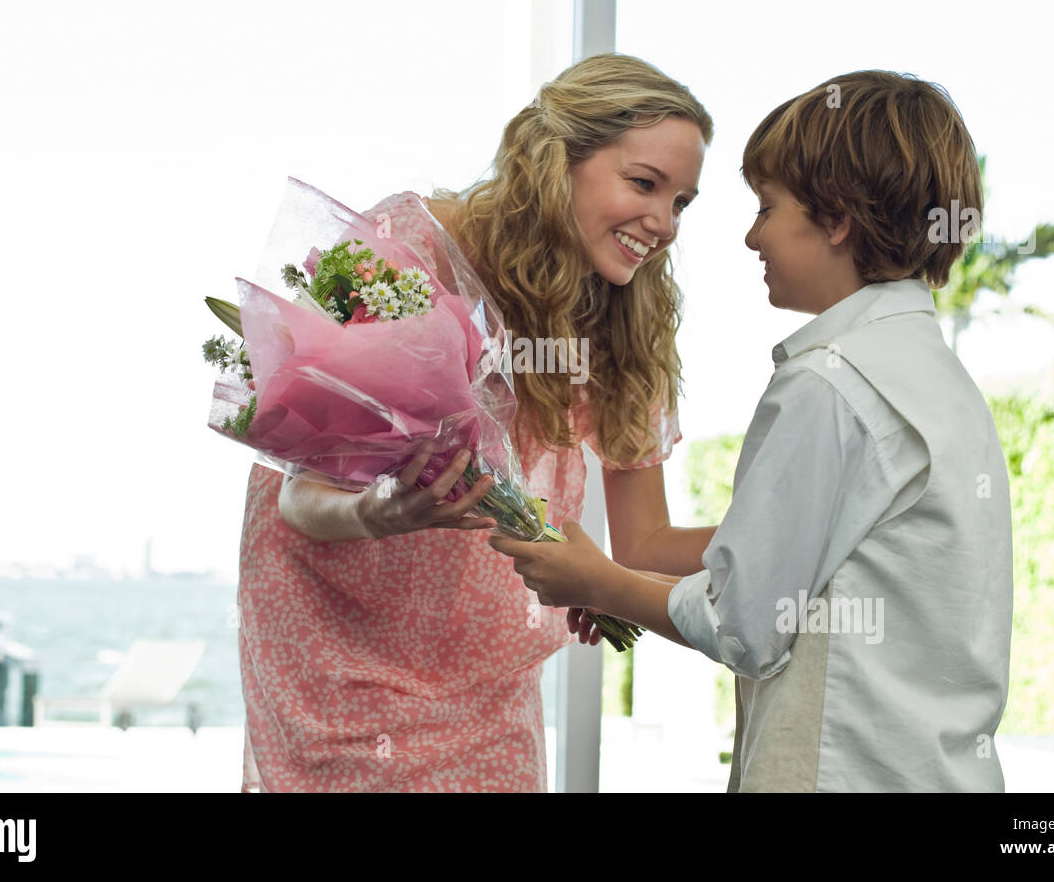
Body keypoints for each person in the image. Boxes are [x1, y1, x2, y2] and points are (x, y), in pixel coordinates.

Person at [493, 70, 1014, 792]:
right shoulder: (937, 380)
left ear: (836, 220)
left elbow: (745, 625)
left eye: (767, 207)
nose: (750, 235)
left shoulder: (830, 381)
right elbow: (808, 566)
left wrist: (601, 581)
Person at [237, 54, 716, 792]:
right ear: (558, 160)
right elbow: (292, 497)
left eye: (682, 202)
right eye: (644, 184)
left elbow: (646, 543)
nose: (664, 224)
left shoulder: (627, 318)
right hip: (346, 685)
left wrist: (805, 537)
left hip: (491, 693)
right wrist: (382, 510)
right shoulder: (403, 250)